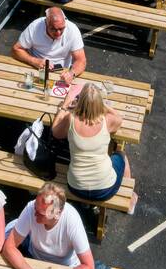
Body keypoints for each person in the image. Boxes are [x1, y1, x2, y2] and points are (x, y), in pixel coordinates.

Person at [52, 82, 137, 211]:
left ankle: (86, 202)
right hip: (105, 189)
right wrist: (101, 104)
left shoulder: (70, 118)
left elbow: (55, 132)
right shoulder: (106, 120)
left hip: (76, 187)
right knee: (121, 155)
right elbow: (119, 118)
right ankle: (130, 200)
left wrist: (65, 105)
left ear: (79, 102)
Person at [3, 185, 96, 269]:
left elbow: (88, 267)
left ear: (57, 213)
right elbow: (8, 247)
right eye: (35, 207)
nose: (34, 214)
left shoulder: (72, 220)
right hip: (34, 260)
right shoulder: (31, 208)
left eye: (41, 214)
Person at [12, 8, 86, 83]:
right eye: (53, 29)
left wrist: (71, 73)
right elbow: (16, 49)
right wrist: (34, 61)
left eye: (61, 29)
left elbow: (81, 60)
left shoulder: (72, 29)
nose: (58, 33)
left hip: (62, 74)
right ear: (45, 23)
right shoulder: (35, 27)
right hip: (36, 69)